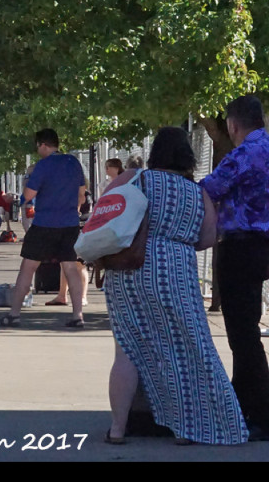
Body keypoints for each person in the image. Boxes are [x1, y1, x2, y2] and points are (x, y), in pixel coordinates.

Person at [103, 126, 247, 445]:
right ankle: (184, 430)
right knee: (179, 351)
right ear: (188, 155)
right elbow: (208, 238)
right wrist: (175, 240)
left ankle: (116, 429)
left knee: (126, 350)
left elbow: (107, 214)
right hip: (176, 272)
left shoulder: (132, 178)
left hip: (128, 267)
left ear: (155, 152)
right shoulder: (197, 192)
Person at [200, 95, 269, 440]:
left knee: (243, 335)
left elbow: (207, 190)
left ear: (232, 125)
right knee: (249, 332)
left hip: (243, 246)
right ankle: (247, 403)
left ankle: (255, 412)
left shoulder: (242, 154)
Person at [0, 128, 86, 328]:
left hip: (45, 224)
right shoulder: (74, 163)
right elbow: (81, 196)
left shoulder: (42, 166)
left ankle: (14, 314)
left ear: (43, 145)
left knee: (28, 268)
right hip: (69, 224)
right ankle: (78, 315)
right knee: (71, 268)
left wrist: (28, 180)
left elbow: (28, 195)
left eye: (38, 147)